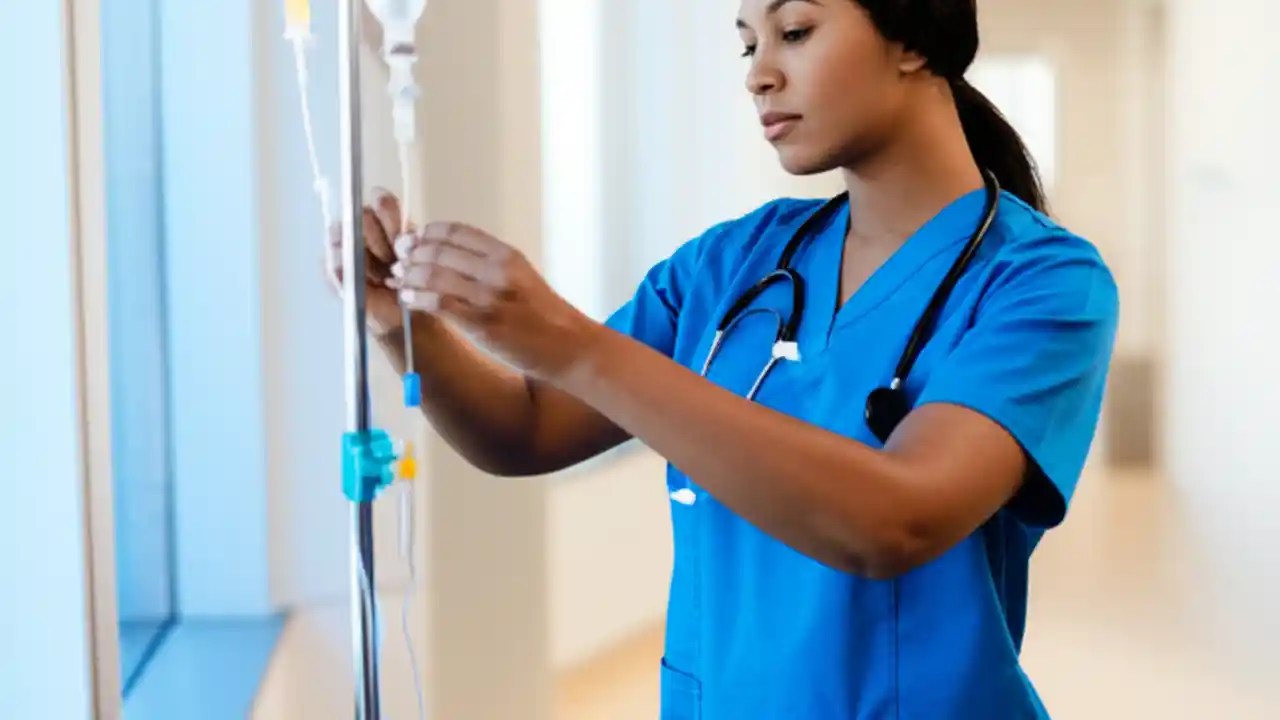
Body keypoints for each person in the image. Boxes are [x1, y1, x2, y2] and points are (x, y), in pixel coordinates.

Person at [330, 0, 1119, 717]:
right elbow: (527, 429)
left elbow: (895, 518)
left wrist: (574, 345)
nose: (758, 74)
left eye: (796, 32)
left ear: (911, 37)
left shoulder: (1042, 284)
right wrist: (405, 331)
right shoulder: (732, 265)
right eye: (746, 45)